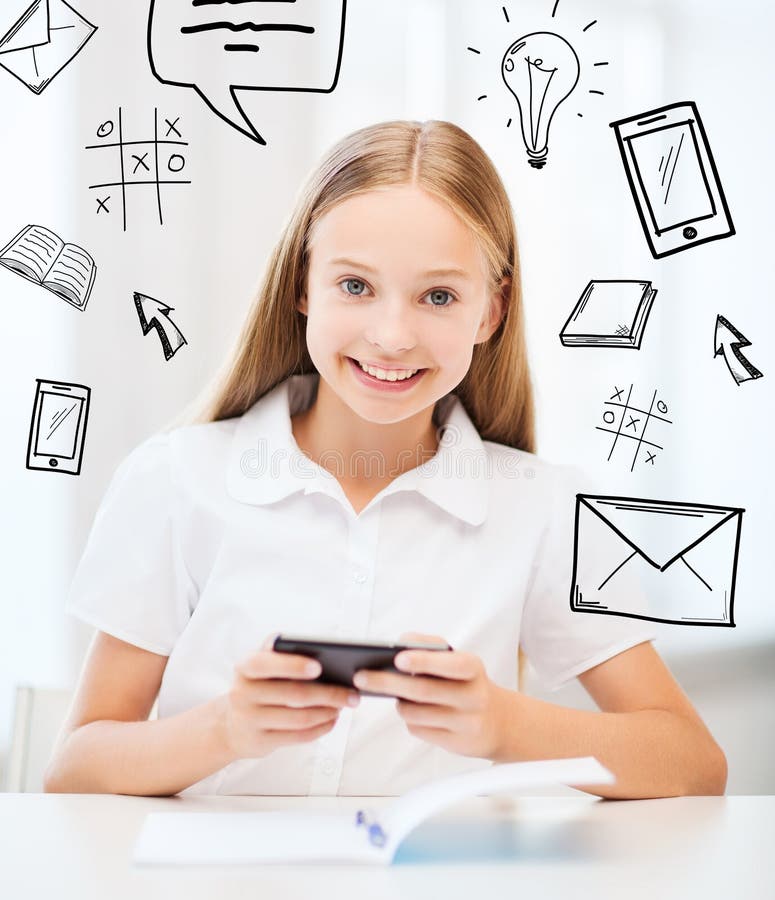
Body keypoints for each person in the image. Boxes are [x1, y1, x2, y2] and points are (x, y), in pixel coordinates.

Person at [43, 120, 726, 799]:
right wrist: (224, 728)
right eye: (355, 286)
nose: (392, 336)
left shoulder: (542, 508)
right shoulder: (176, 480)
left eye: (438, 296)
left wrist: (503, 723)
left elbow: (691, 763)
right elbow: (74, 772)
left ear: (490, 311)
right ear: (302, 285)